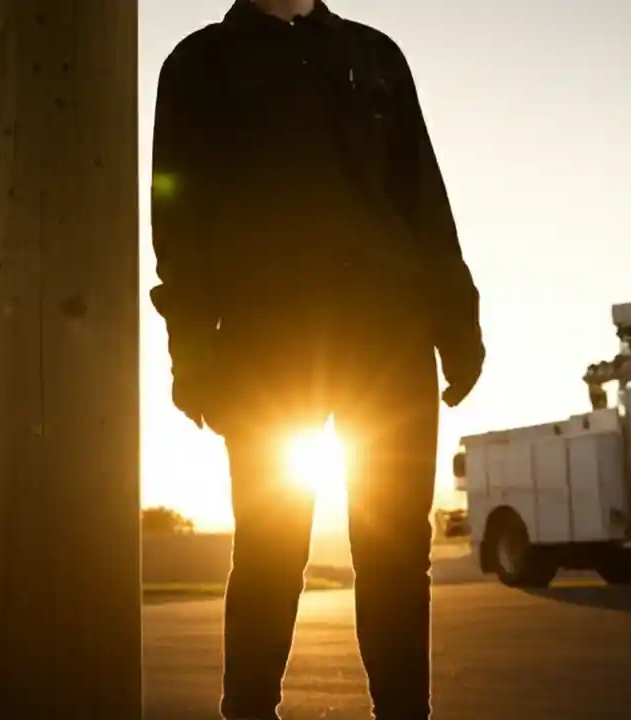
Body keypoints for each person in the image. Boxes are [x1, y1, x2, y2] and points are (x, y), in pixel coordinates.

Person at [149, 1, 484, 718]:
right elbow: (177, 217)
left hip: (389, 329)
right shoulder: (199, 62)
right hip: (267, 338)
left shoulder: (376, 54)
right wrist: (192, 350)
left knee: (397, 550)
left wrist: (457, 321)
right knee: (271, 546)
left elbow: (424, 197)